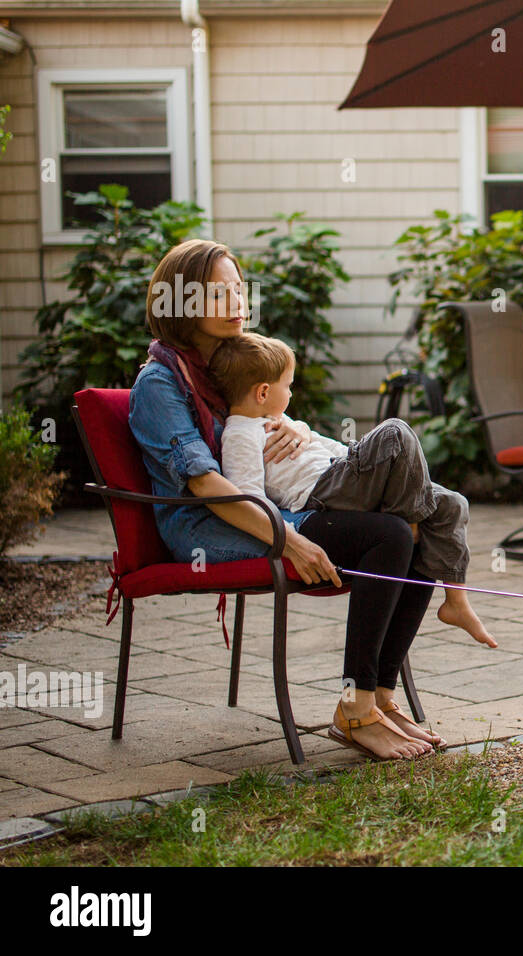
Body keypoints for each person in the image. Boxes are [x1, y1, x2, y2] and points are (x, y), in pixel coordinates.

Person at [129, 238, 485, 761]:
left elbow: (264, 438)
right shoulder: (161, 384)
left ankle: (378, 699)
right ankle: (356, 708)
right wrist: (289, 541)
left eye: (239, 290)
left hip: (270, 507)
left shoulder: (226, 369)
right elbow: (206, 486)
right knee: (390, 534)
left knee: (414, 524)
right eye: (220, 293)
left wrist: (295, 429)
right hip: (208, 527)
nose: (239, 304)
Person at [206, 331, 496, 649]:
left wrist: (308, 432)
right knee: (395, 432)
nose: (290, 391)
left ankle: (456, 601)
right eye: (287, 386)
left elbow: (331, 447)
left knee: (451, 503)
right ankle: (407, 522)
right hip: (324, 492)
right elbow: (250, 497)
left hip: (343, 472)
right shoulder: (240, 436)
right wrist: (288, 537)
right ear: (263, 392)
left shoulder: (277, 419)